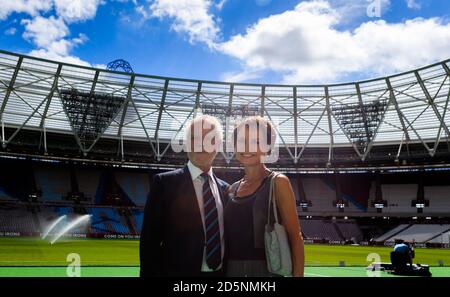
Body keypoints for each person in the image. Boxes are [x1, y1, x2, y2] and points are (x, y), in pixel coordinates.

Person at [140, 115, 229, 277]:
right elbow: (149, 244)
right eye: (195, 138)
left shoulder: (226, 190)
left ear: (218, 145)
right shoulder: (164, 184)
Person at [224, 116, 305, 277]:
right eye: (241, 141)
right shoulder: (231, 189)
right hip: (231, 272)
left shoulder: (278, 182)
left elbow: (295, 238)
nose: (247, 148)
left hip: (267, 272)